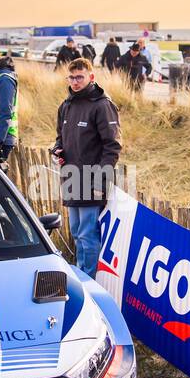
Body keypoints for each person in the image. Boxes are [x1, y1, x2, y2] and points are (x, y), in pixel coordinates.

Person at [51, 58, 121, 280]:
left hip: (92, 182)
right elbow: (59, 139)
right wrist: (56, 150)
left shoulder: (102, 105)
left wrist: (100, 182)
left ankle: (89, 282)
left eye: (79, 77)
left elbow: (113, 146)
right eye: (71, 77)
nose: (75, 81)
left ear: (91, 77)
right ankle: (81, 275)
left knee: (88, 235)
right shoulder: (66, 105)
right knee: (76, 233)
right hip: (71, 179)